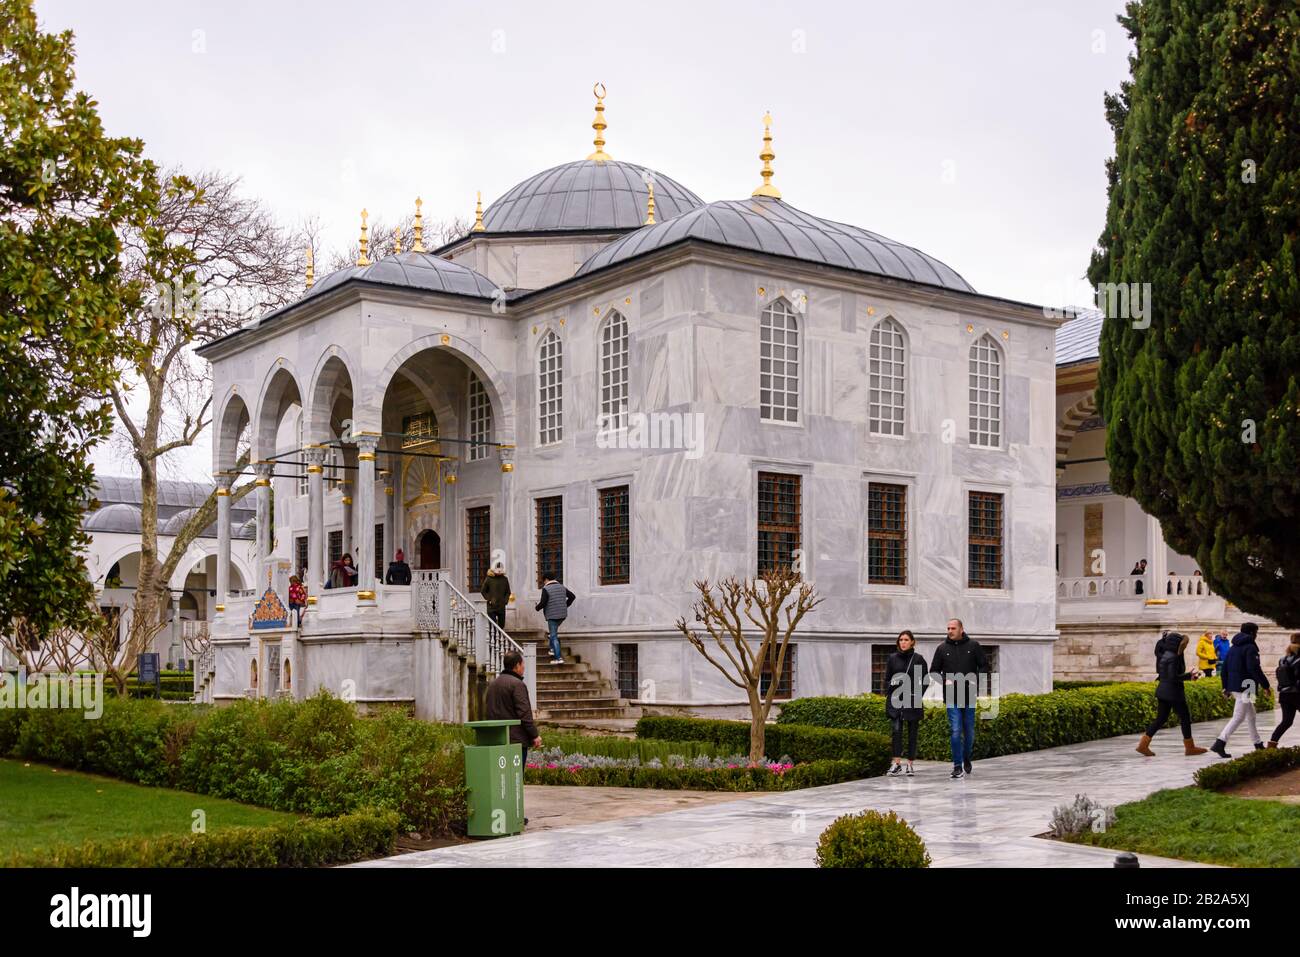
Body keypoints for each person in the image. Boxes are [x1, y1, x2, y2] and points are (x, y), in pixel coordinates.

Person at [485, 650, 541, 826]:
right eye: (523, 664)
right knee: (515, 779)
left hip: (497, 738)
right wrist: (535, 735)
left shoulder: (494, 684)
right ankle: (515, 815)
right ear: (516, 666)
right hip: (516, 741)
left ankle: (503, 812)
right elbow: (524, 714)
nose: (524, 668)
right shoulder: (517, 685)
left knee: (501, 780)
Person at [929, 618, 987, 780]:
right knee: (955, 730)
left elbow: (984, 666)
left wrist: (975, 679)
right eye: (948, 628)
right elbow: (933, 671)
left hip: (969, 695)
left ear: (961, 629)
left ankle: (966, 756)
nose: (949, 631)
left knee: (969, 732)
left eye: (953, 628)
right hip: (952, 696)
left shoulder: (974, 646)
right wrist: (945, 679)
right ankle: (957, 765)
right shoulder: (941, 648)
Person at [1136, 632, 1207, 756]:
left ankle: (1143, 745)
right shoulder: (1174, 657)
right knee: (1185, 717)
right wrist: (1189, 676)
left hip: (1163, 691)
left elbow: (1167, 675)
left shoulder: (1165, 655)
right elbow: (1173, 677)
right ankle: (1190, 747)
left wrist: (1187, 676)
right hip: (1173, 692)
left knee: (1161, 718)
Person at [1211, 621, 1271, 758]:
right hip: (1246, 685)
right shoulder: (1250, 648)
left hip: (1237, 685)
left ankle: (1257, 743)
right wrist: (1266, 686)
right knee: (1239, 716)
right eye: (1256, 632)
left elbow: (1225, 668)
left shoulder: (1233, 647)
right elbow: (1254, 668)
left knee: (1251, 715)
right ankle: (1220, 742)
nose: (1256, 635)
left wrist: (1225, 687)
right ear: (1252, 633)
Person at [885, 630, 928, 777]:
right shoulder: (892, 658)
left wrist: (917, 694)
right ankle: (896, 763)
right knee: (896, 732)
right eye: (901, 640)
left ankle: (910, 764)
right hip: (896, 701)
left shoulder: (918, 659)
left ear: (912, 642)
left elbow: (925, 680)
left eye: (906, 640)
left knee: (912, 734)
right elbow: (887, 679)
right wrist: (892, 688)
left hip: (912, 701)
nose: (903, 642)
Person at [535, 571, 575, 664]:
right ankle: (552, 649)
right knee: (553, 633)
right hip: (562, 615)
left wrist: (537, 607)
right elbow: (572, 596)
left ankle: (558, 658)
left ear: (546, 579)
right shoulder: (562, 587)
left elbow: (543, 602)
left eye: (543, 581)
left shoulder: (546, 589)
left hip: (552, 615)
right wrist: (565, 605)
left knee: (553, 636)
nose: (544, 583)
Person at [1268, 634, 1300, 748]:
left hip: (1284, 694)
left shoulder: (1283, 659)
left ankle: (1272, 744)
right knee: (1287, 721)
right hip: (1297, 694)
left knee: (1286, 721)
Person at [480, 562, 512, 630]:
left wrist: (505, 601)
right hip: (491, 606)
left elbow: (508, 592)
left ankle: (499, 639)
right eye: (497, 569)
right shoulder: (489, 579)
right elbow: (483, 591)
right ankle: (493, 640)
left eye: (500, 569)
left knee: (501, 625)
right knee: (492, 625)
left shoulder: (505, 579)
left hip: (501, 606)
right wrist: (489, 599)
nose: (499, 570)